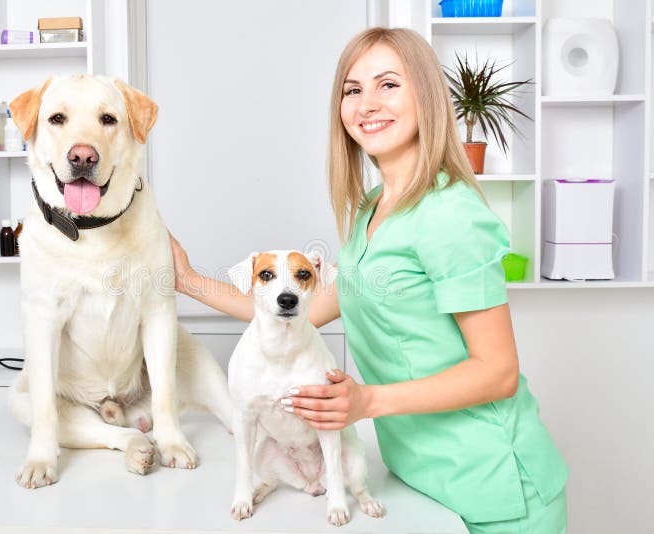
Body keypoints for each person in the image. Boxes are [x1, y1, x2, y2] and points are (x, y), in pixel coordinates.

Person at [168, 27, 567, 533]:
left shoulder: (451, 214)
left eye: (388, 84)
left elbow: (498, 372)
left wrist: (367, 402)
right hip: (418, 478)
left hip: (493, 488)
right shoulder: (373, 210)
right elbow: (294, 312)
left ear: (426, 95)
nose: (367, 104)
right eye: (352, 89)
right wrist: (187, 279)